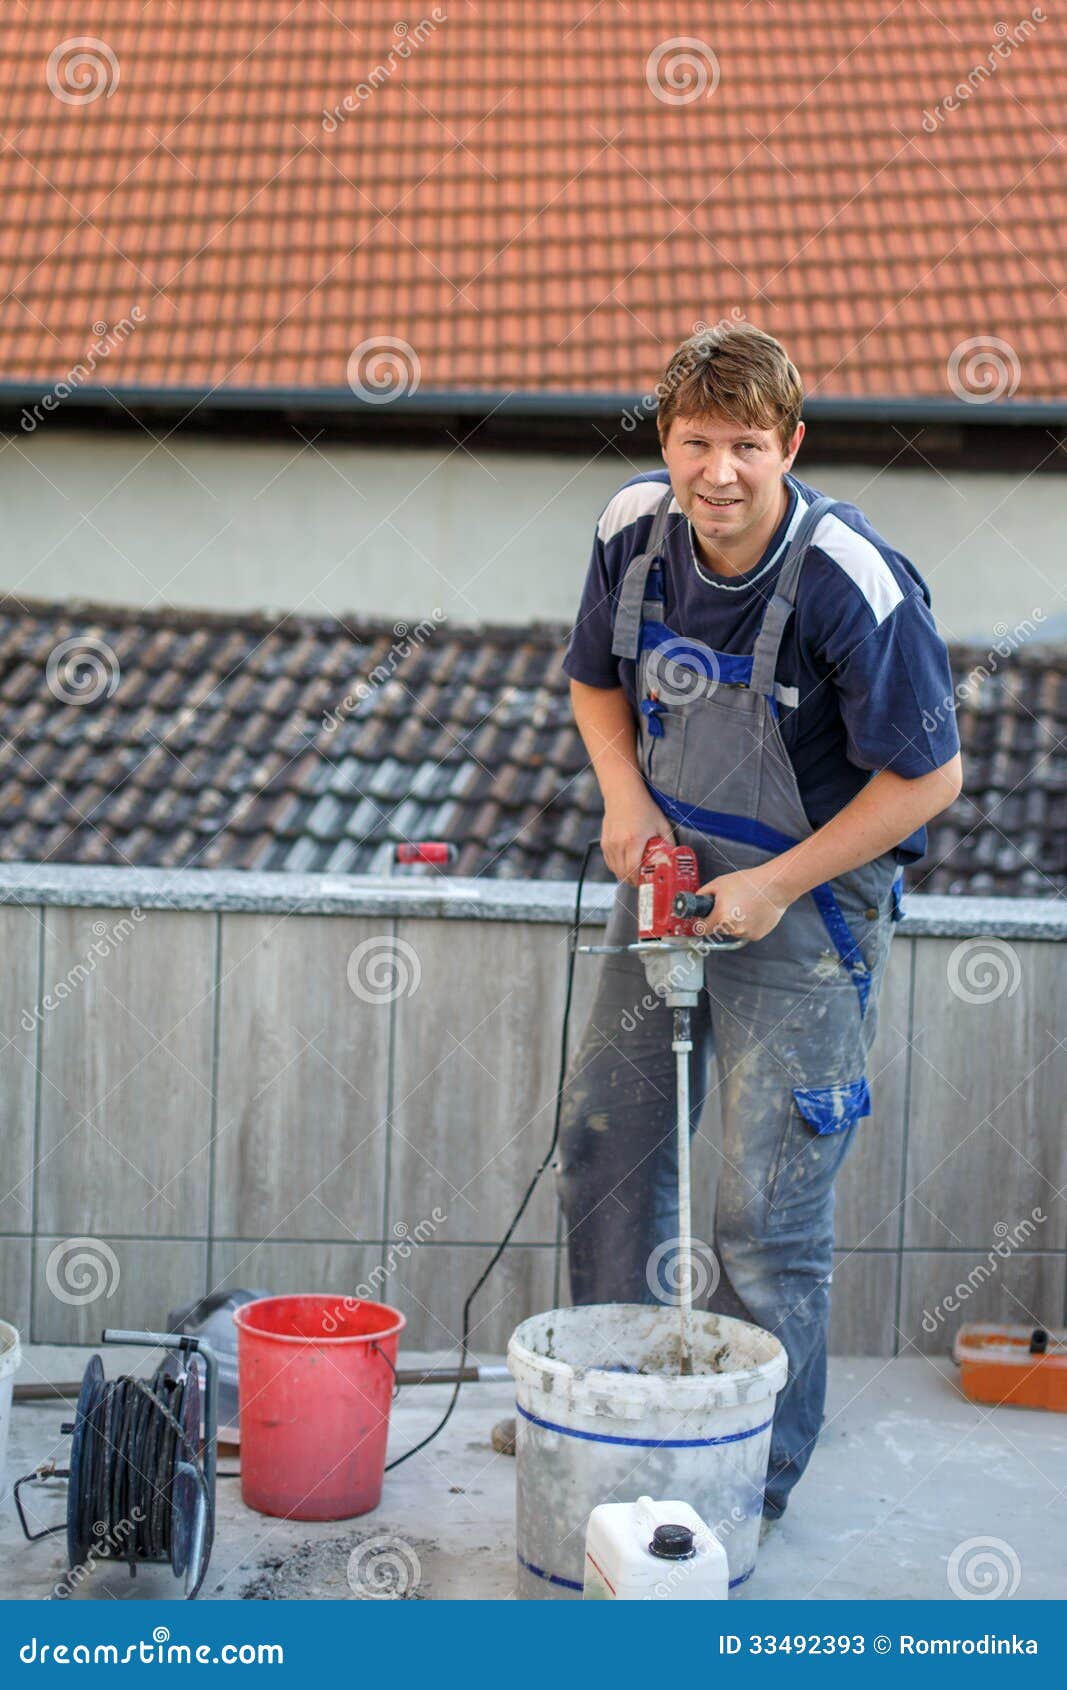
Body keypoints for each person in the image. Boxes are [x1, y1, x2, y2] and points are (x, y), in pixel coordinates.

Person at [555, 322, 963, 1527]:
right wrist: (624, 800)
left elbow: (926, 778)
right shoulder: (631, 533)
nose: (715, 471)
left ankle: (745, 1481)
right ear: (663, 440)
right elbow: (592, 683)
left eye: (744, 444)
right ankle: (610, 1416)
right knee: (601, 1148)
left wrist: (778, 881)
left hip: (807, 912)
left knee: (761, 1219)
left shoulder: (847, 577)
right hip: (672, 874)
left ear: (789, 443)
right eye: (694, 441)